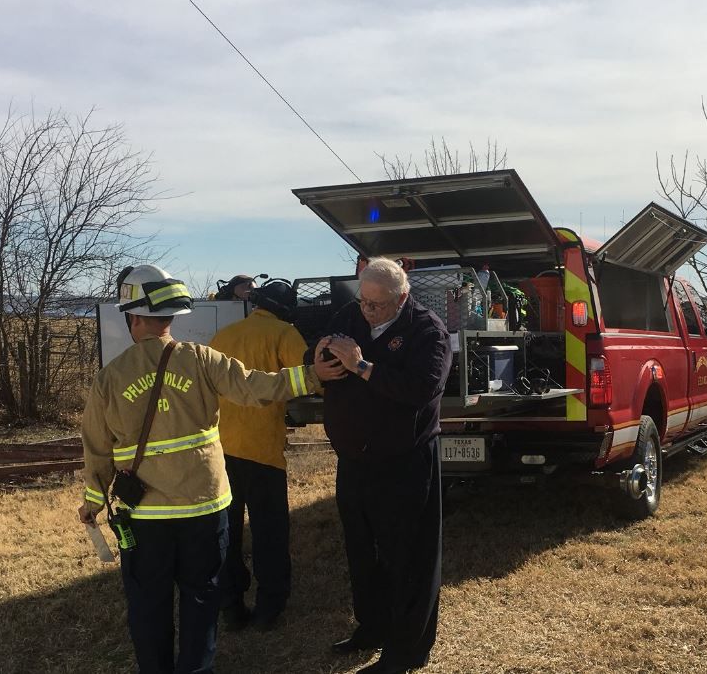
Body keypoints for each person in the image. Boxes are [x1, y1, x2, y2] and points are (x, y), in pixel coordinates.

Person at [77, 264, 317, 674]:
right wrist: (313, 375)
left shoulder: (110, 379)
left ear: (133, 317)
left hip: (146, 517)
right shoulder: (201, 359)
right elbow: (258, 387)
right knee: (202, 597)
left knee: (148, 604)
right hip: (204, 510)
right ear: (170, 317)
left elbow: (97, 449)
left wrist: (93, 503)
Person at [312, 257, 452, 674]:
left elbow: (422, 388)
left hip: (403, 461)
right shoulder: (348, 316)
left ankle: (406, 651)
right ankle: (371, 627)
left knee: (407, 557)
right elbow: (319, 350)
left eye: (378, 305)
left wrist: (362, 367)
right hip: (354, 459)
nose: (368, 311)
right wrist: (319, 363)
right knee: (362, 551)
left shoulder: (427, 331)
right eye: (364, 301)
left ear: (402, 297)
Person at [209, 279, 307, 632]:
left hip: (221, 450)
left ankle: (231, 607)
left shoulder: (223, 335)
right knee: (269, 533)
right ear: (286, 309)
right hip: (262, 452)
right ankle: (269, 608)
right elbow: (310, 376)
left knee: (227, 534)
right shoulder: (285, 333)